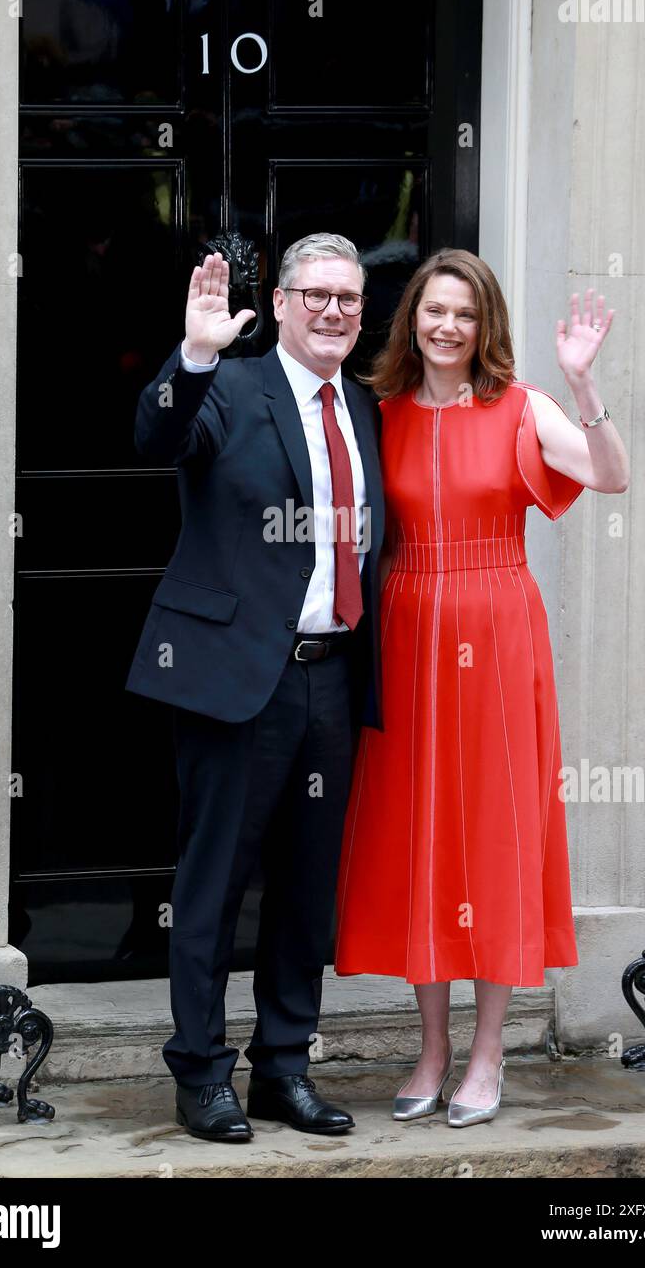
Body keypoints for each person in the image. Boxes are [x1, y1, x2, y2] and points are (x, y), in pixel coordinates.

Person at [333, 249, 630, 1127]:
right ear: (411, 320)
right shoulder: (377, 414)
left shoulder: (518, 406)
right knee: (420, 830)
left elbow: (610, 475)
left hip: (497, 632)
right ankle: (431, 1048)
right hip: (405, 628)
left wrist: (581, 383)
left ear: (484, 323)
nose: (447, 327)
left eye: (464, 313)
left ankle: (489, 1051)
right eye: (434, 311)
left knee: (494, 832)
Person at [125, 234, 384, 1142]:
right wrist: (194, 351)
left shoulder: (364, 407)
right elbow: (155, 435)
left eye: (348, 299)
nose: (332, 312)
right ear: (277, 303)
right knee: (212, 885)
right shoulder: (229, 389)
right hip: (237, 682)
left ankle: (284, 1066)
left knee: (306, 891)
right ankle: (200, 1071)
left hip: (330, 679)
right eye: (314, 294)